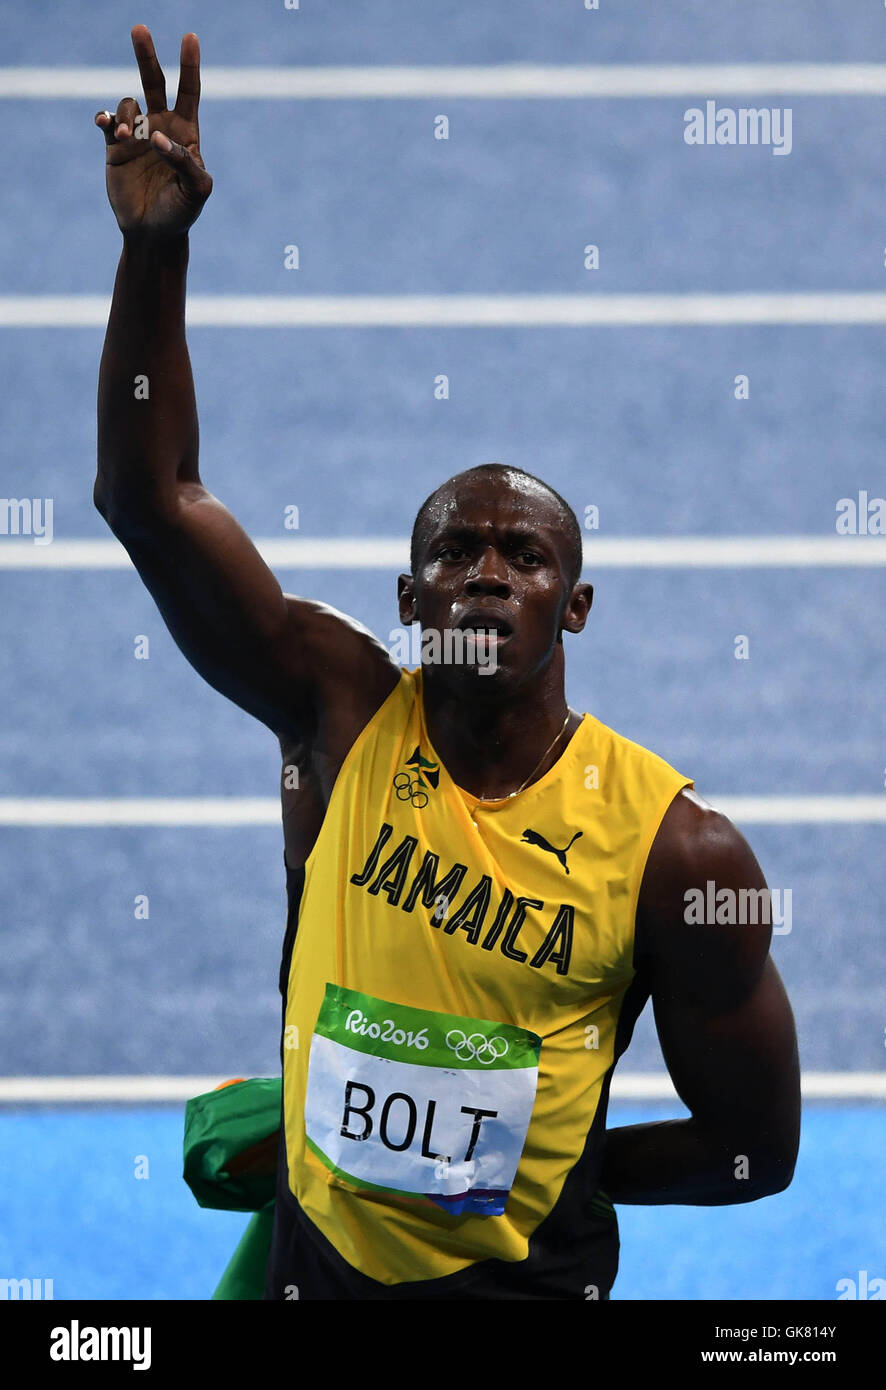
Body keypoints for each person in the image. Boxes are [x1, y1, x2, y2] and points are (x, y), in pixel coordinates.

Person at [95, 26, 800, 1301]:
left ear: (574, 606)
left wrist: (563, 1160)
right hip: (315, 1263)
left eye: (522, 557)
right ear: (408, 598)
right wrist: (157, 247)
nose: (487, 571)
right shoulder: (337, 706)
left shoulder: (677, 852)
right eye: (457, 553)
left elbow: (755, 1152)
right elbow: (151, 499)